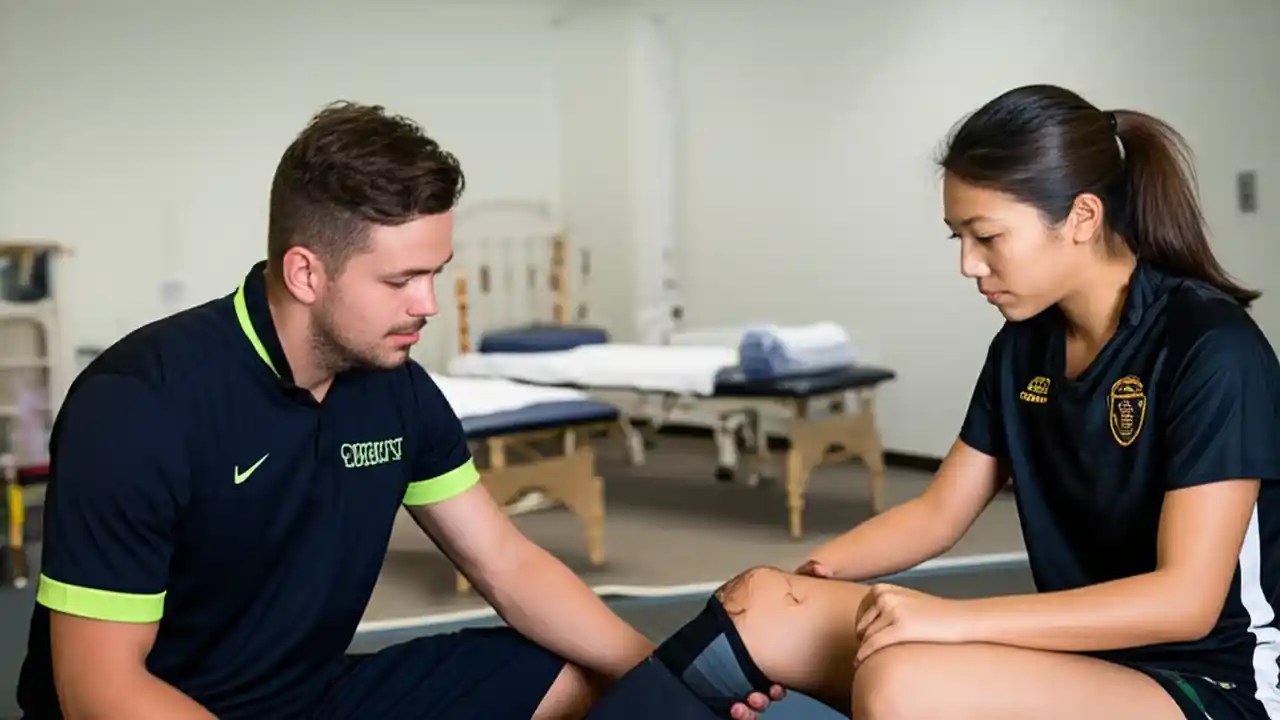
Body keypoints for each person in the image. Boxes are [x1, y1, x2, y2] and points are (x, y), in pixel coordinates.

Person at [14, 102, 781, 720]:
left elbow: (506, 564)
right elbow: (99, 693)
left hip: (309, 695)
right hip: (159, 706)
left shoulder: (397, 388)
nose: (428, 306)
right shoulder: (140, 403)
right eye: (400, 281)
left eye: (435, 274)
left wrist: (665, 678)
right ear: (306, 273)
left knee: (579, 677)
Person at [642, 83, 1280, 720]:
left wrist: (954, 621)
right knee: (758, 604)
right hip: (1082, 661)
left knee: (903, 682)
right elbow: (936, 514)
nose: (969, 265)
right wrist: (804, 582)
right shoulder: (1023, 346)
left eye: (987, 237)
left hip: (1213, 687)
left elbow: (1184, 602)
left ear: (1082, 218)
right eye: (959, 240)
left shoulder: (1211, 346)